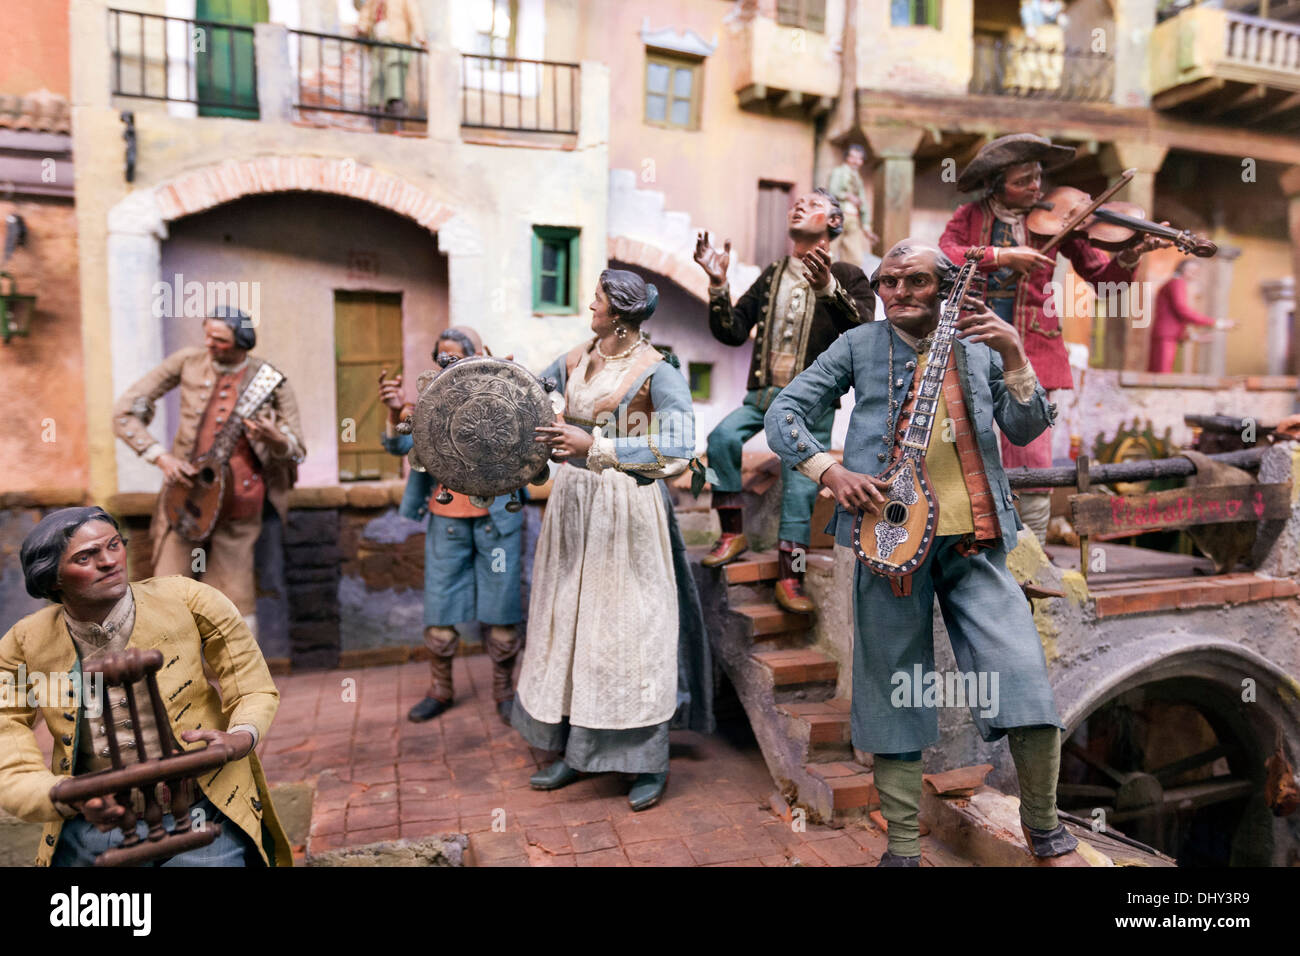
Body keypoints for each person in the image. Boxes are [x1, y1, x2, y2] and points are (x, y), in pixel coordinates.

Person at [764, 240, 1083, 866]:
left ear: (942, 287)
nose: (899, 293)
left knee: (1021, 678)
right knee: (892, 693)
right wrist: (829, 471)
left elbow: (1025, 428)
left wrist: (1014, 351)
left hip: (976, 545)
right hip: (888, 543)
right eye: (888, 283)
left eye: (914, 281)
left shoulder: (977, 347)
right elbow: (786, 413)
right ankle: (904, 848)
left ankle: (1043, 825)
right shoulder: (858, 346)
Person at [512, 269, 713, 812]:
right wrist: (503, 381)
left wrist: (596, 444)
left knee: (626, 632)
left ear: (621, 316)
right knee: (570, 625)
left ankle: (648, 760)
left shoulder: (658, 370)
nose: (590, 305)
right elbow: (532, 393)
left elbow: (679, 447)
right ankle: (576, 752)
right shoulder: (577, 356)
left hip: (626, 507)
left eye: (597, 298)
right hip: (573, 506)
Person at [0, 507, 291, 866]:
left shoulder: (188, 599)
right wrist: (63, 796)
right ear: (53, 579)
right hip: (94, 831)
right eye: (85, 557)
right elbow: (6, 747)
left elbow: (252, 686)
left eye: (113, 545)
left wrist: (241, 736)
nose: (108, 562)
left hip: (201, 814)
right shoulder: (25, 642)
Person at [939, 134, 1169, 544]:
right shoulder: (969, 216)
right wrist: (1000, 256)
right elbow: (945, 257)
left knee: (1032, 450)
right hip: (971, 344)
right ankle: (967, 544)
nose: (1036, 189)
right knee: (968, 440)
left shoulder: (1063, 222)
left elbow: (1104, 279)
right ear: (995, 185)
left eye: (1038, 177)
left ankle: (1031, 548)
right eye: (1023, 180)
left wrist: (1130, 255)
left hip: (1033, 350)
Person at [695, 189, 875, 613]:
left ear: (834, 223)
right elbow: (733, 331)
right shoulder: (773, 273)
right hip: (761, 397)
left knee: (799, 489)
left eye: (811, 204)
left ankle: (790, 577)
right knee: (722, 438)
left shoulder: (848, 275)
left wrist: (829, 288)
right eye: (796, 202)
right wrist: (718, 284)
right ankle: (732, 532)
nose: (797, 205)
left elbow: (864, 329)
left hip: (811, 406)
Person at [113, 306, 305, 637]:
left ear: (242, 343)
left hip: (241, 505)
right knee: (167, 593)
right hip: (185, 499)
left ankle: (238, 683)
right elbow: (126, 410)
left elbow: (296, 448)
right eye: (207, 335)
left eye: (219, 339)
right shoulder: (187, 362)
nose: (209, 344)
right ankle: (173, 680)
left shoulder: (269, 380)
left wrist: (276, 440)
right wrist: (162, 458)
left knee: (234, 606)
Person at [378, 327, 523, 725]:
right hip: (447, 524)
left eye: (456, 358)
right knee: (440, 612)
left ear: (477, 356)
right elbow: (397, 446)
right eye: (441, 358)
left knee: (502, 611)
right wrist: (395, 411)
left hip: (496, 523)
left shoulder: (503, 396)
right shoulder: (429, 404)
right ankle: (440, 690)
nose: (448, 365)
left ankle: (504, 692)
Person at [1148, 260, 1232, 373]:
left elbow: (1175, 315)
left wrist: (1194, 337)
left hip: (1168, 335)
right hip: (1166, 336)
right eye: (1191, 271)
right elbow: (1182, 310)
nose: (1194, 274)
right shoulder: (1177, 283)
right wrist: (1216, 323)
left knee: (1159, 373)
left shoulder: (1174, 283)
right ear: (1182, 270)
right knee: (1162, 374)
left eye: (1196, 272)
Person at [355, 0, 426, 120]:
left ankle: (395, 104)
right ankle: (374, 106)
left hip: (397, 39)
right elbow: (366, 12)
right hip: (378, 39)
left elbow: (414, 14)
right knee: (377, 73)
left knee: (395, 71)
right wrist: (362, 26)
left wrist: (420, 35)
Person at [825, 144, 878, 269]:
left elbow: (863, 203)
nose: (855, 161)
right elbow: (832, 191)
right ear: (847, 158)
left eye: (859, 158)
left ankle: (847, 283)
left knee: (854, 258)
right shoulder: (838, 172)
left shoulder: (857, 178)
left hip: (853, 219)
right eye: (852, 157)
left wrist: (866, 227)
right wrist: (847, 196)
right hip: (838, 216)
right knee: (829, 252)